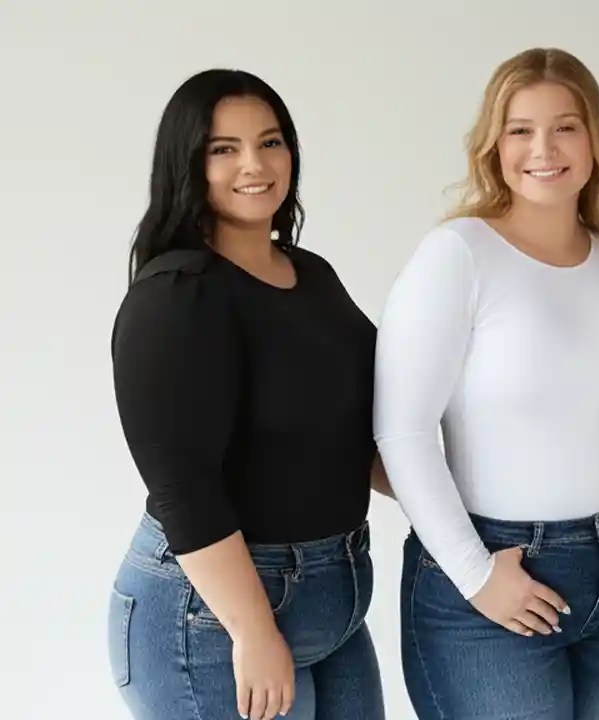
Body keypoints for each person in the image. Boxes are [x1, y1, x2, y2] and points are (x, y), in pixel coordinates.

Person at [373, 47, 599, 719]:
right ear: (493, 144)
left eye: (566, 126)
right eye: (520, 129)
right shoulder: (459, 255)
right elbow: (402, 431)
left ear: (595, 140)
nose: (543, 148)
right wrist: (475, 576)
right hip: (495, 574)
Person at [106, 69, 388, 720]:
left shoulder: (311, 275)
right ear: (186, 163)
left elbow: (360, 436)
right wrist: (254, 631)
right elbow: (185, 490)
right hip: (210, 616)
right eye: (223, 149)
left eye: (271, 142)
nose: (255, 164)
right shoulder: (176, 298)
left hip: (334, 595)